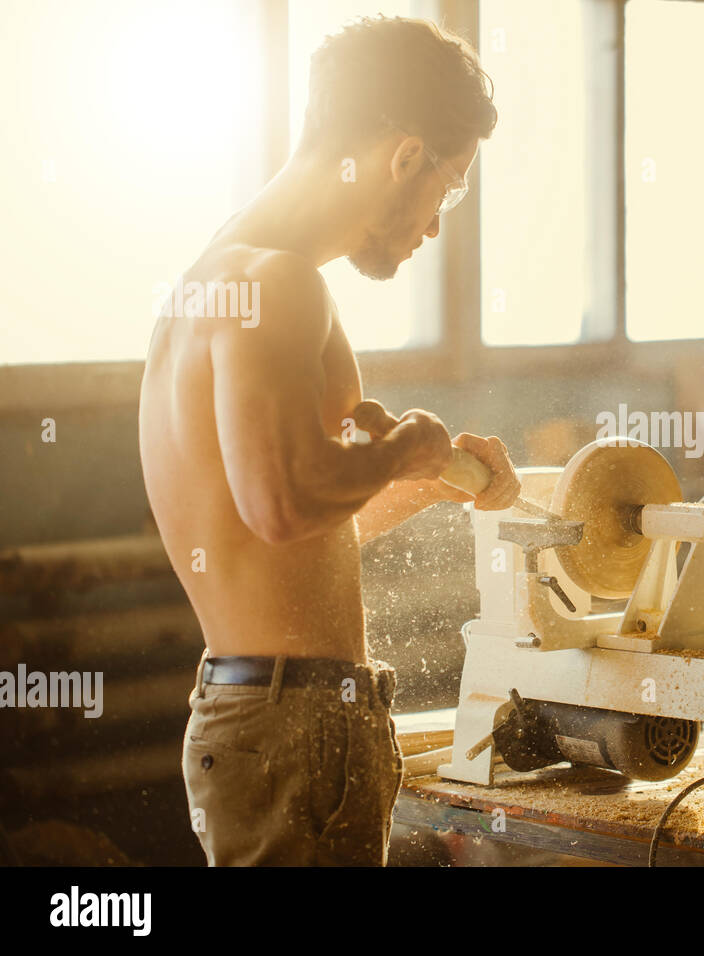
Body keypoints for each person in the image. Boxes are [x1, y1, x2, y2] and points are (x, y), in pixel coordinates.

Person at [138, 16, 519, 865]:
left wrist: (427, 480)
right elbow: (278, 508)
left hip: (271, 714)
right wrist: (405, 449)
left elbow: (298, 533)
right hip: (291, 727)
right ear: (405, 156)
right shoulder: (277, 284)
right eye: (449, 188)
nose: (434, 222)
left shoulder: (226, 276)